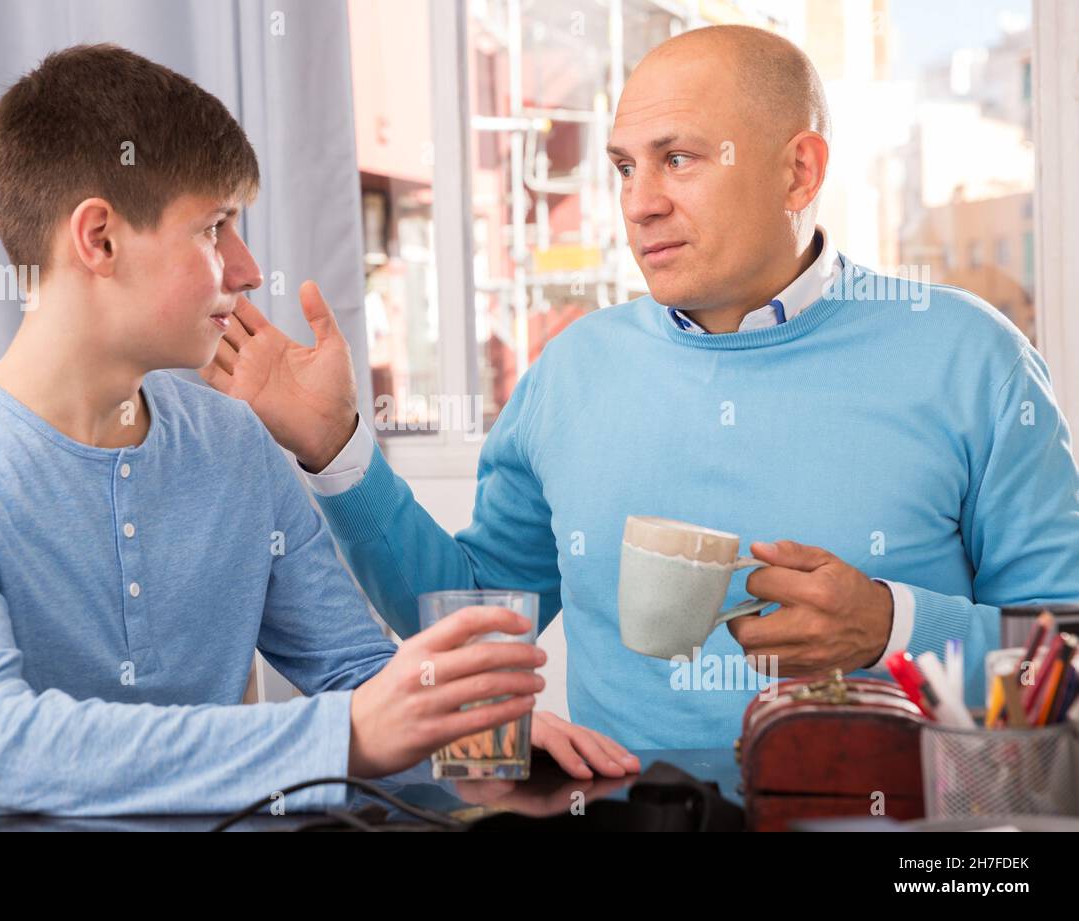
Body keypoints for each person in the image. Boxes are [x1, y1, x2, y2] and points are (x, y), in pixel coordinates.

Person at [207, 25, 1079, 749]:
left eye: (679, 159)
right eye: (625, 167)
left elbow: (1065, 661)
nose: (638, 203)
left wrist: (894, 627)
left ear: (799, 171)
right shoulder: (572, 371)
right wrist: (337, 444)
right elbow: (470, 618)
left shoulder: (972, 357)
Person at [0, 44, 638, 832]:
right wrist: (346, 734)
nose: (249, 268)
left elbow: (352, 674)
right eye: (215, 228)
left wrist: (469, 737)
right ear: (100, 239)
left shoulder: (232, 442)